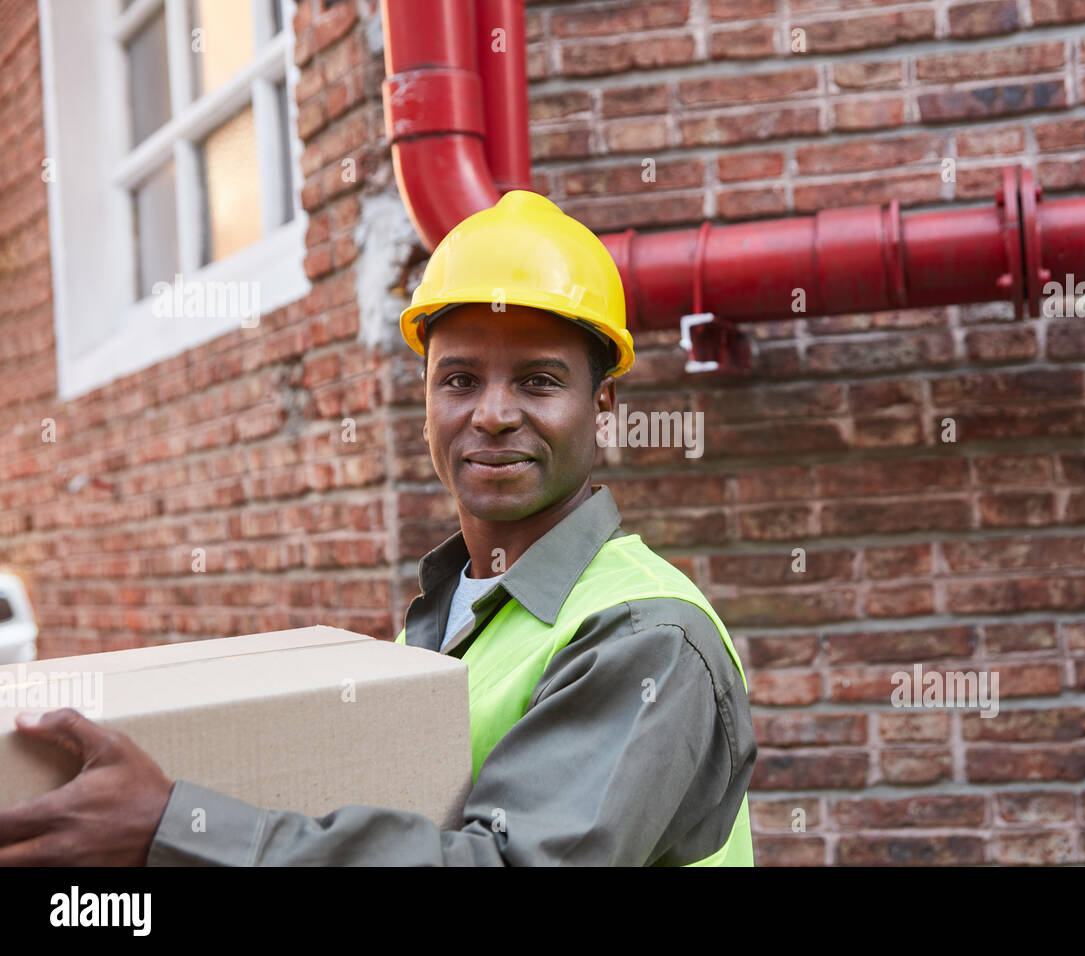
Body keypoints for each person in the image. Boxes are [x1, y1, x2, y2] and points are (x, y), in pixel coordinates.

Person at [0, 191, 756, 866]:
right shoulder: (442, 618)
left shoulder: (647, 635)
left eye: (538, 380)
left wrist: (173, 827)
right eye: (459, 379)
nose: (491, 414)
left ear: (603, 408)